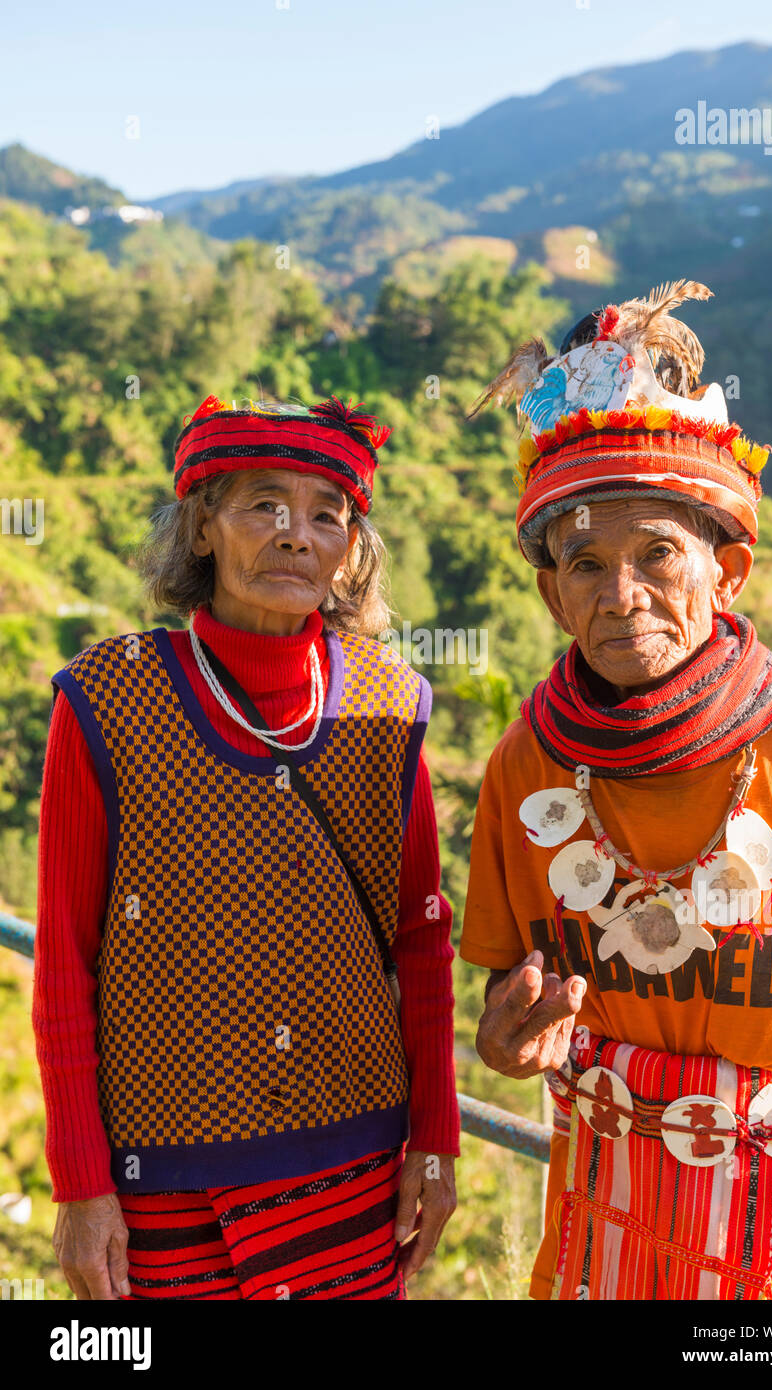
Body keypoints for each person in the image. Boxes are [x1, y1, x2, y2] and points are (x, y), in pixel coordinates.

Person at [460, 281, 772, 1300]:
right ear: (551, 590)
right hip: (599, 1243)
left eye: (658, 555)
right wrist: (506, 1042)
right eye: (585, 561)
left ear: (726, 571)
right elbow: (507, 1009)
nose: (621, 594)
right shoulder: (527, 765)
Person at [33, 392, 459, 1300]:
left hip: (355, 1166)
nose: (295, 535)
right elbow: (64, 960)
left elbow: (421, 939)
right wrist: (81, 1187)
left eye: (325, 515)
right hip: (162, 1183)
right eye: (262, 504)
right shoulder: (105, 700)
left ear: (351, 551)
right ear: (200, 529)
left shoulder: (390, 701)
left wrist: (436, 1140)